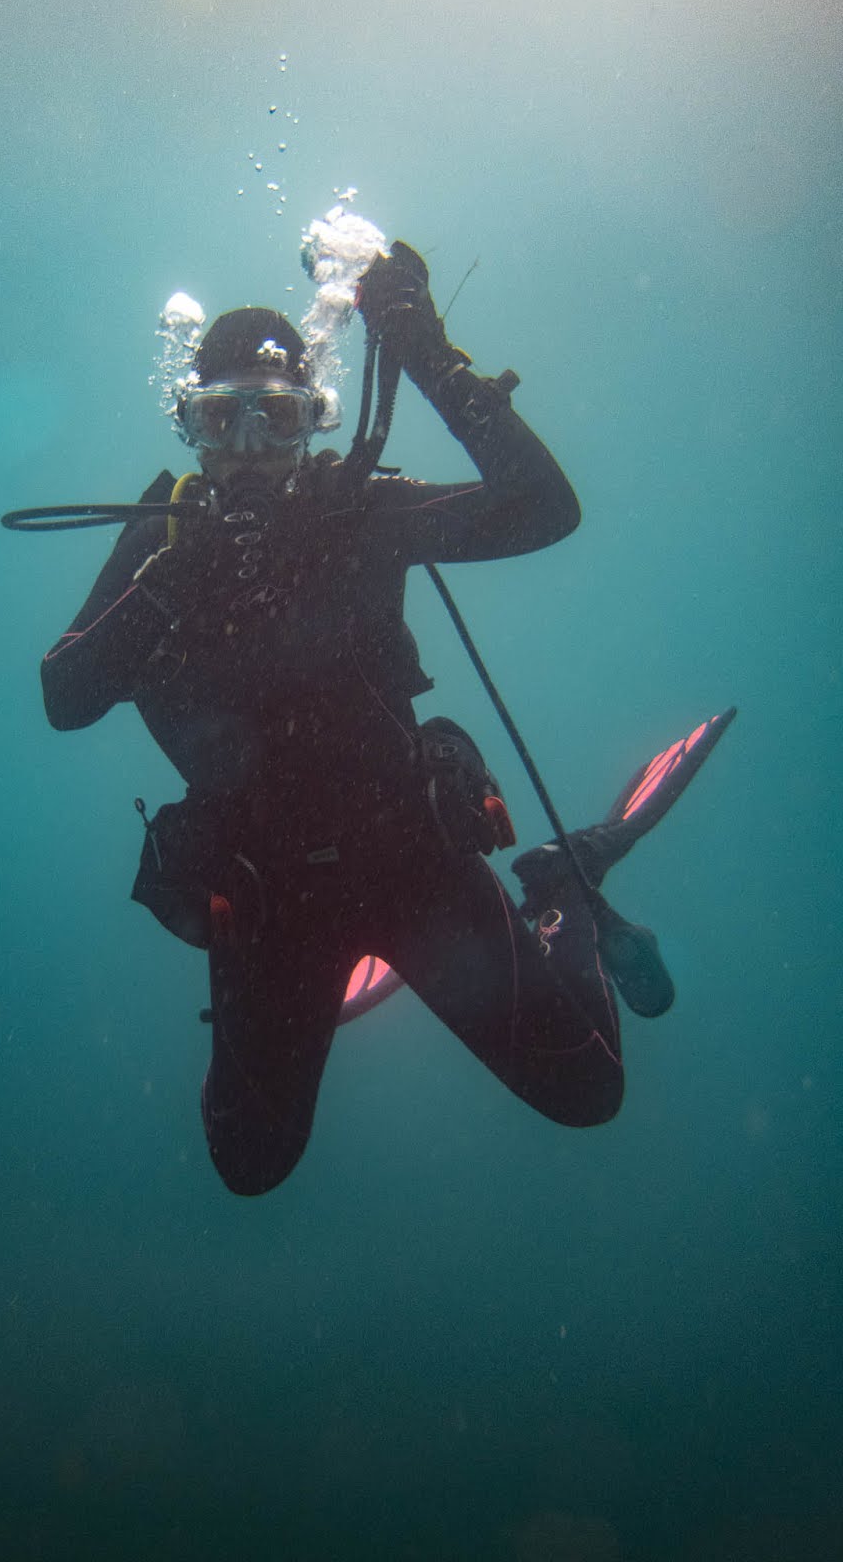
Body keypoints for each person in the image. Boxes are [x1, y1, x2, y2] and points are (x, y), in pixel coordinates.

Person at [39, 241, 731, 1196]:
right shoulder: (159, 541)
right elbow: (65, 700)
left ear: (310, 422)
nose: (247, 450)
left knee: (589, 1094)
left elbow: (543, 511)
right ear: (190, 429)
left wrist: (428, 352)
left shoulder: (358, 512)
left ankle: (560, 888)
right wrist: (164, 591)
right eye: (220, 421)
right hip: (265, 890)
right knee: (250, 1166)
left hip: (411, 856)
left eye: (274, 419)